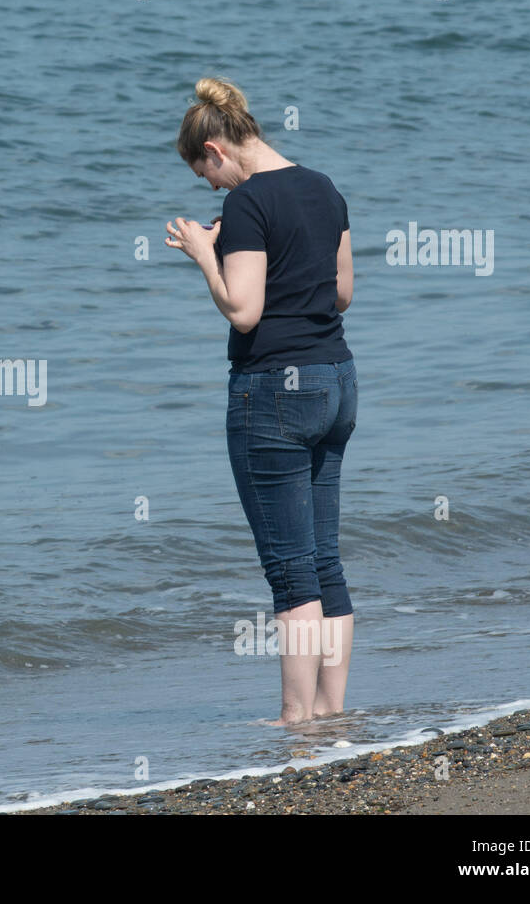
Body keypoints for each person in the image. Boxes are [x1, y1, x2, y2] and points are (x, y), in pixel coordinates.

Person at [164, 76, 358, 725]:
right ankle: (332, 710)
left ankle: (294, 717)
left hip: (274, 392)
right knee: (324, 558)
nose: (213, 189)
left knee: (290, 569)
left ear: (217, 150)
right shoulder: (324, 187)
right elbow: (340, 293)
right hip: (336, 379)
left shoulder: (248, 202)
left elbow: (243, 311)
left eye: (205, 175)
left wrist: (203, 254)